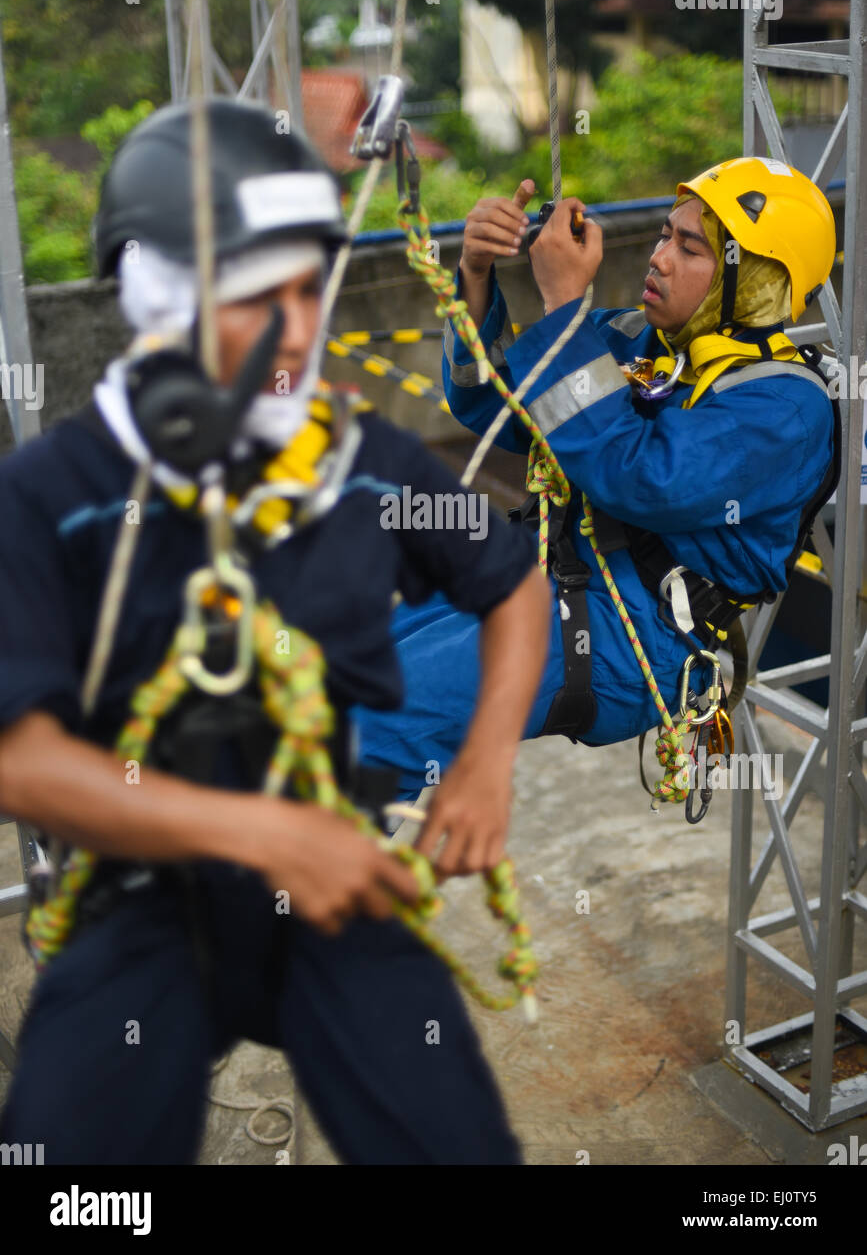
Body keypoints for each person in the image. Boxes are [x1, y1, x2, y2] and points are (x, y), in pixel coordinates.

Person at [0, 97, 550, 1165]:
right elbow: (18, 759)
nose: (299, 329)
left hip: (334, 872)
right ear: (161, 299)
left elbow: (511, 582)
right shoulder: (49, 495)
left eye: (310, 289)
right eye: (261, 297)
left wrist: (486, 765)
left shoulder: (364, 465)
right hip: (145, 891)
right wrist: (258, 833)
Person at [355, 156, 838, 798]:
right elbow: (490, 402)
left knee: (376, 722)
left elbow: (640, 477)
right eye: (665, 234)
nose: (659, 256)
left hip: (641, 637)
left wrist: (562, 308)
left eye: (688, 246)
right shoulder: (640, 342)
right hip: (559, 575)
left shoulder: (784, 407)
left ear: (750, 279)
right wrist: (475, 275)